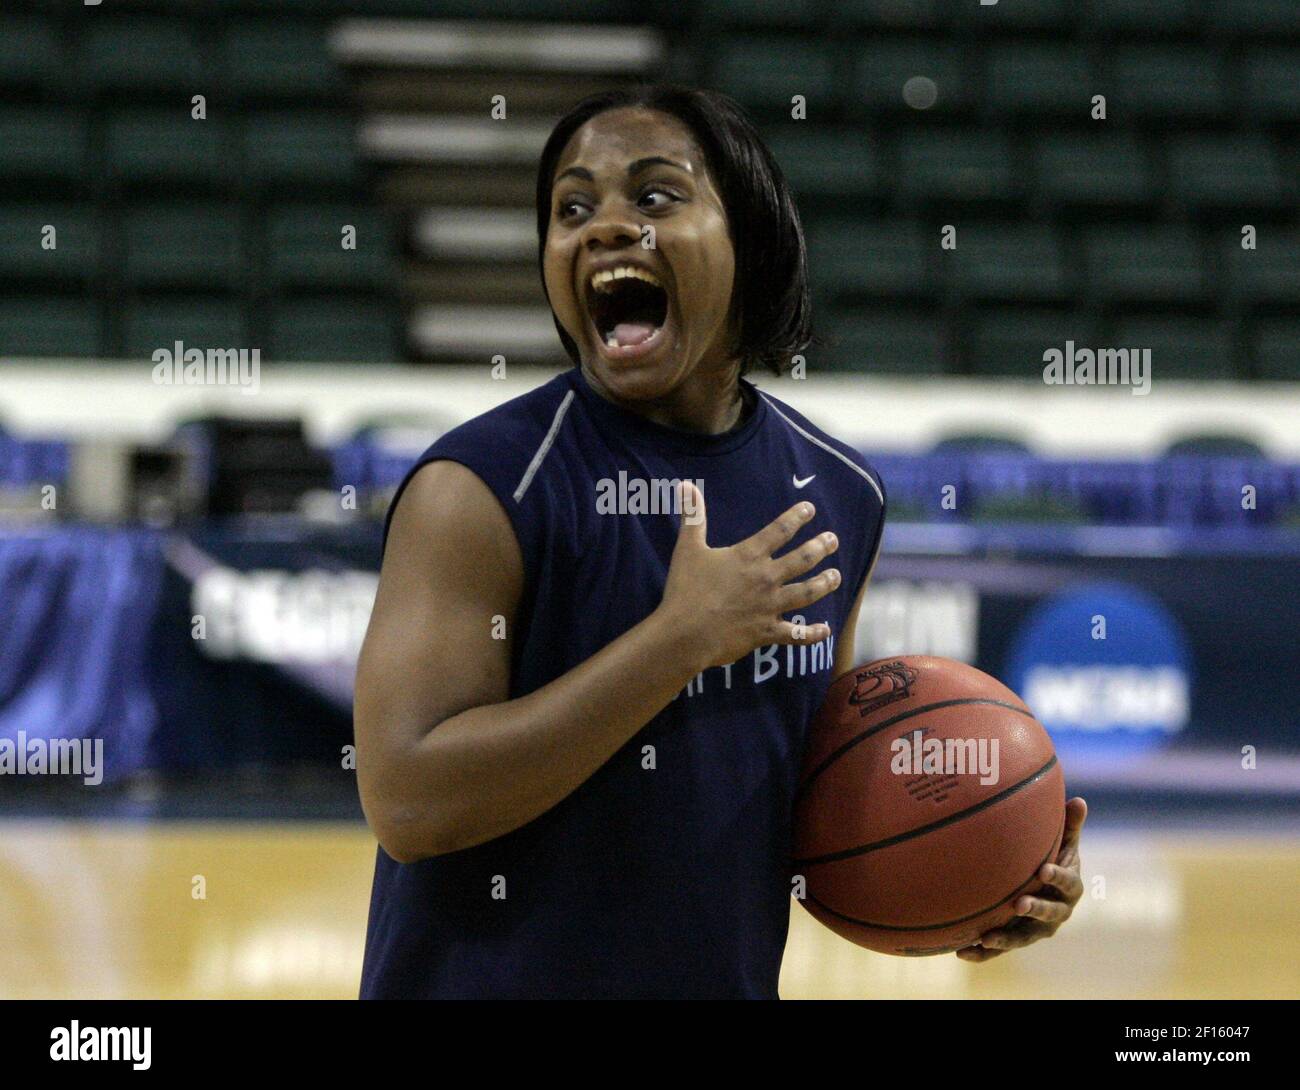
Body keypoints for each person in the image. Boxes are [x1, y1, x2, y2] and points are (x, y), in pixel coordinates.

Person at [354, 85, 1082, 999]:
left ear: (752, 241)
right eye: (572, 208)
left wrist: (979, 873)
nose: (606, 227)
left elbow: (807, 810)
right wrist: (675, 644)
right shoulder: (480, 488)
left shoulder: (840, 492)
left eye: (655, 196)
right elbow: (408, 800)